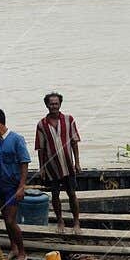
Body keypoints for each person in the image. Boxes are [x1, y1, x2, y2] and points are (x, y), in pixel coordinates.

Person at [0, 108, 30, 260]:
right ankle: (13, 248)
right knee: (6, 220)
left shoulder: (17, 139)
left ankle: (22, 253)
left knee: (11, 220)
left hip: (12, 187)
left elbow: (24, 163)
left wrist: (21, 187)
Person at [34, 92, 82, 233]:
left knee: (72, 193)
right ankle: (60, 221)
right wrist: (41, 168)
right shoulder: (41, 124)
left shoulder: (69, 119)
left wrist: (77, 162)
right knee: (55, 194)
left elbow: (74, 143)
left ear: (60, 104)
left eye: (56, 104)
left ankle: (76, 222)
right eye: (51, 104)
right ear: (47, 105)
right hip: (51, 166)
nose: (54, 106)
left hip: (68, 164)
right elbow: (41, 148)